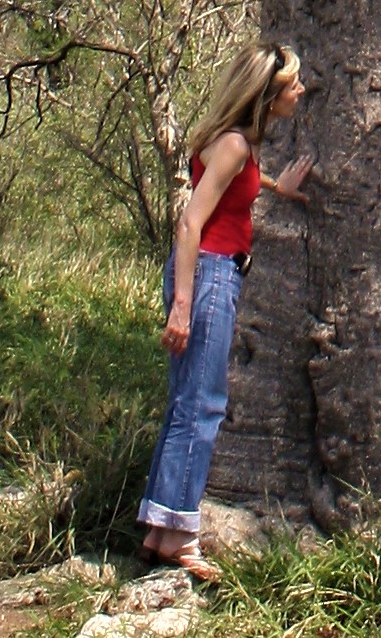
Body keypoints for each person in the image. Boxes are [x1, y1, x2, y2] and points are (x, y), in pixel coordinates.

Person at [136, 41, 312, 578]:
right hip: (209, 274)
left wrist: (278, 186)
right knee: (203, 403)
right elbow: (191, 223)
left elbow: (232, 195)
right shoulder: (235, 145)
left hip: (213, 272)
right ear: (266, 93)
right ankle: (181, 535)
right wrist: (183, 306)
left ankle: (161, 527)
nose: (300, 92)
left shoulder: (237, 145)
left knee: (187, 400)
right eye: (292, 85)